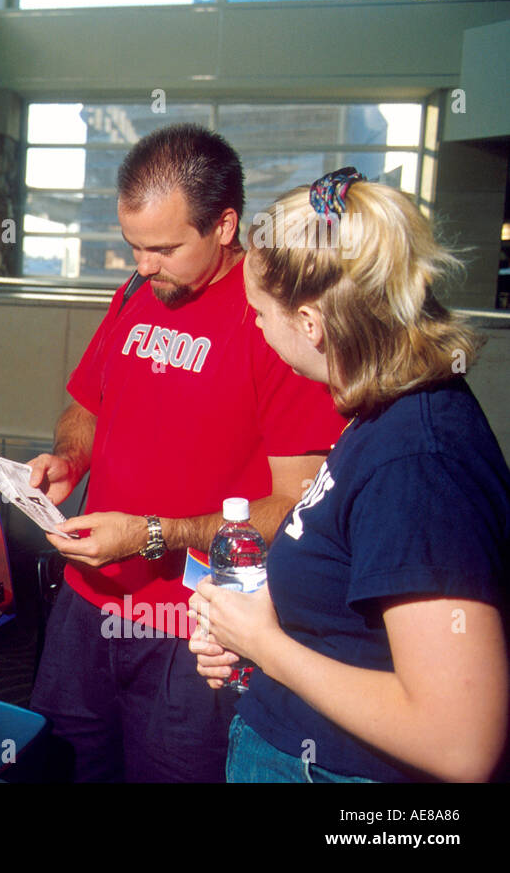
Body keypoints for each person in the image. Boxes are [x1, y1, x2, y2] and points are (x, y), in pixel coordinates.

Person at [26, 124, 347, 783]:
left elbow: (293, 508)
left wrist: (151, 535)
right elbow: (88, 405)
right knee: (54, 767)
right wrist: (67, 459)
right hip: (83, 614)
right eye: (134, 246)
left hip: (195, 631)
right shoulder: (137, 293)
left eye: (164, 248)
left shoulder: (275, 324)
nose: (144, 265)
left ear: (225, 224)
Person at [189, 169, 509, 783]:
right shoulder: (381, 413)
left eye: (259, 312)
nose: (254, 325)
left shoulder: (419, 461)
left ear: (311, 323)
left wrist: (268, 647)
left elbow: (459, 741)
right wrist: (251, 634)